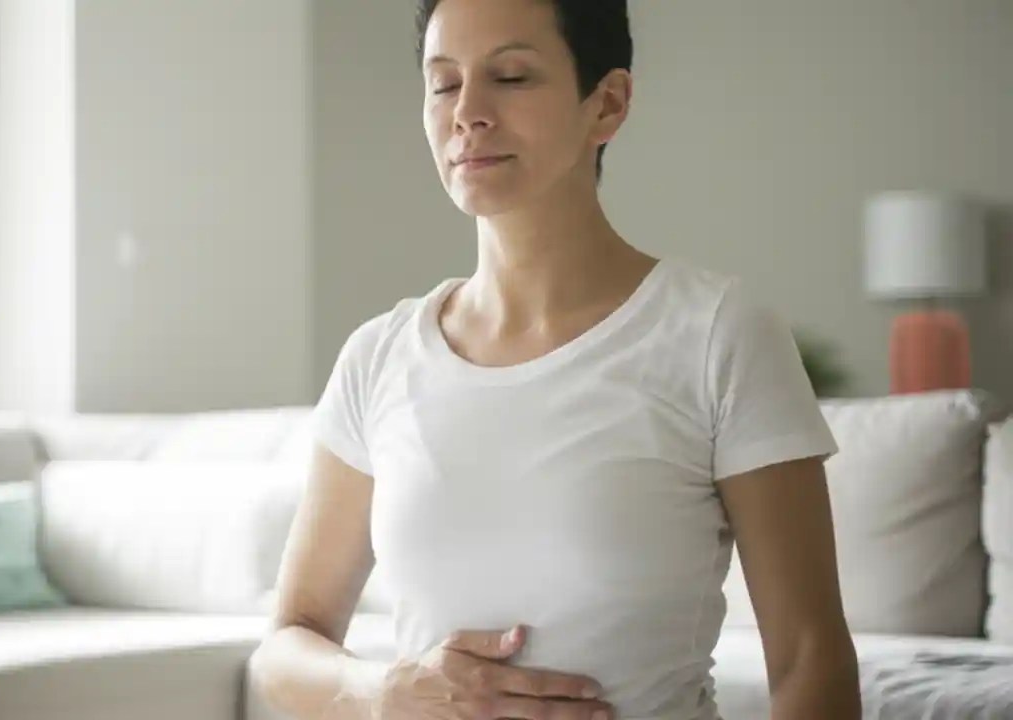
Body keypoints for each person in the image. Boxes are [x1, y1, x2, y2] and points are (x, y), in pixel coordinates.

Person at [249, 0, 861, 718]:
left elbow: (811, 657)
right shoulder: (377, 357)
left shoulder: (718, 335)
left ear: (607, 103)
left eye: (510, 76)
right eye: (443, 83)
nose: (467, 112)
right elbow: (286, 647)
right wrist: (384, 688)